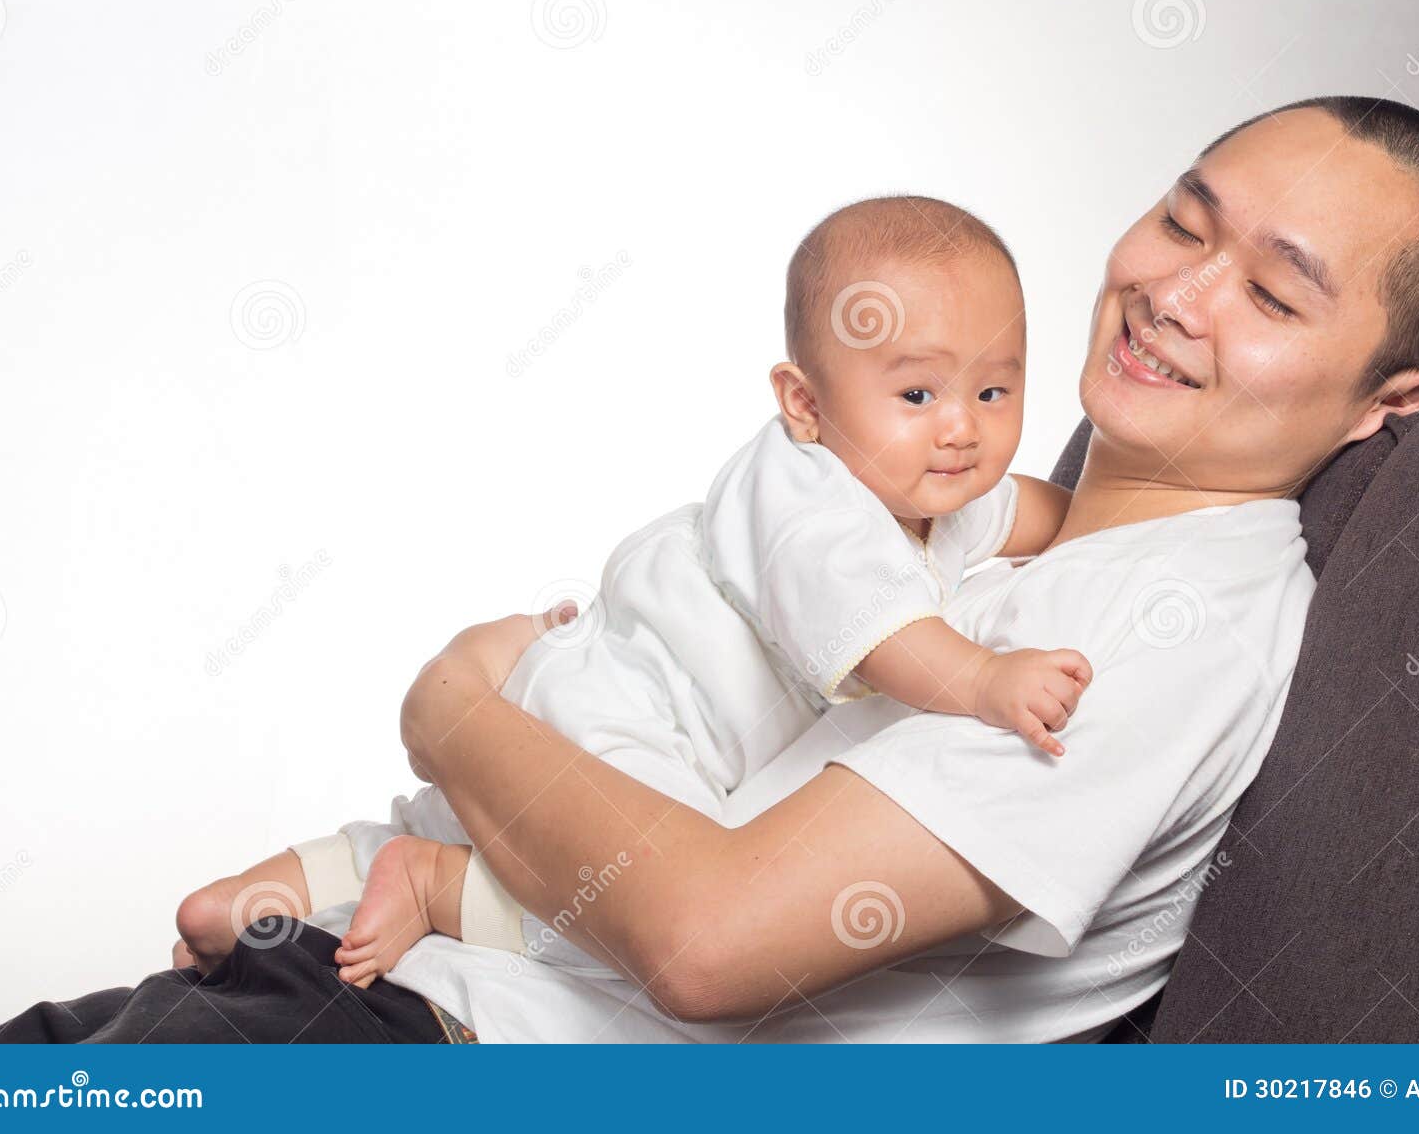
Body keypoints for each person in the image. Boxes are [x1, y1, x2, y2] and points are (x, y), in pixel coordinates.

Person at [0, 95, 1419, 1044]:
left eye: (1268, 291)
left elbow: (710, 941)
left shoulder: (1177, 629)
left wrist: (451, 707)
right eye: (1184, 218)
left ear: (1397, 390)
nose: (1173, 291)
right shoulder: (992, 513)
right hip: (373, 985)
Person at [168, 196, 1092, 986]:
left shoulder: (934, 489)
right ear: (804, 404)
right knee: (634, 910)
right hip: (632, 728)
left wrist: (1120, 519)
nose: (962, 431)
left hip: (569, 694)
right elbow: (886, 636)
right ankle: (431, 887)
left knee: (446, 815)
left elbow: (1041, 514)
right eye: (919, 396)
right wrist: (982, 682)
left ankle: (233, 908)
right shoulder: (812, 501)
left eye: (996, 392)